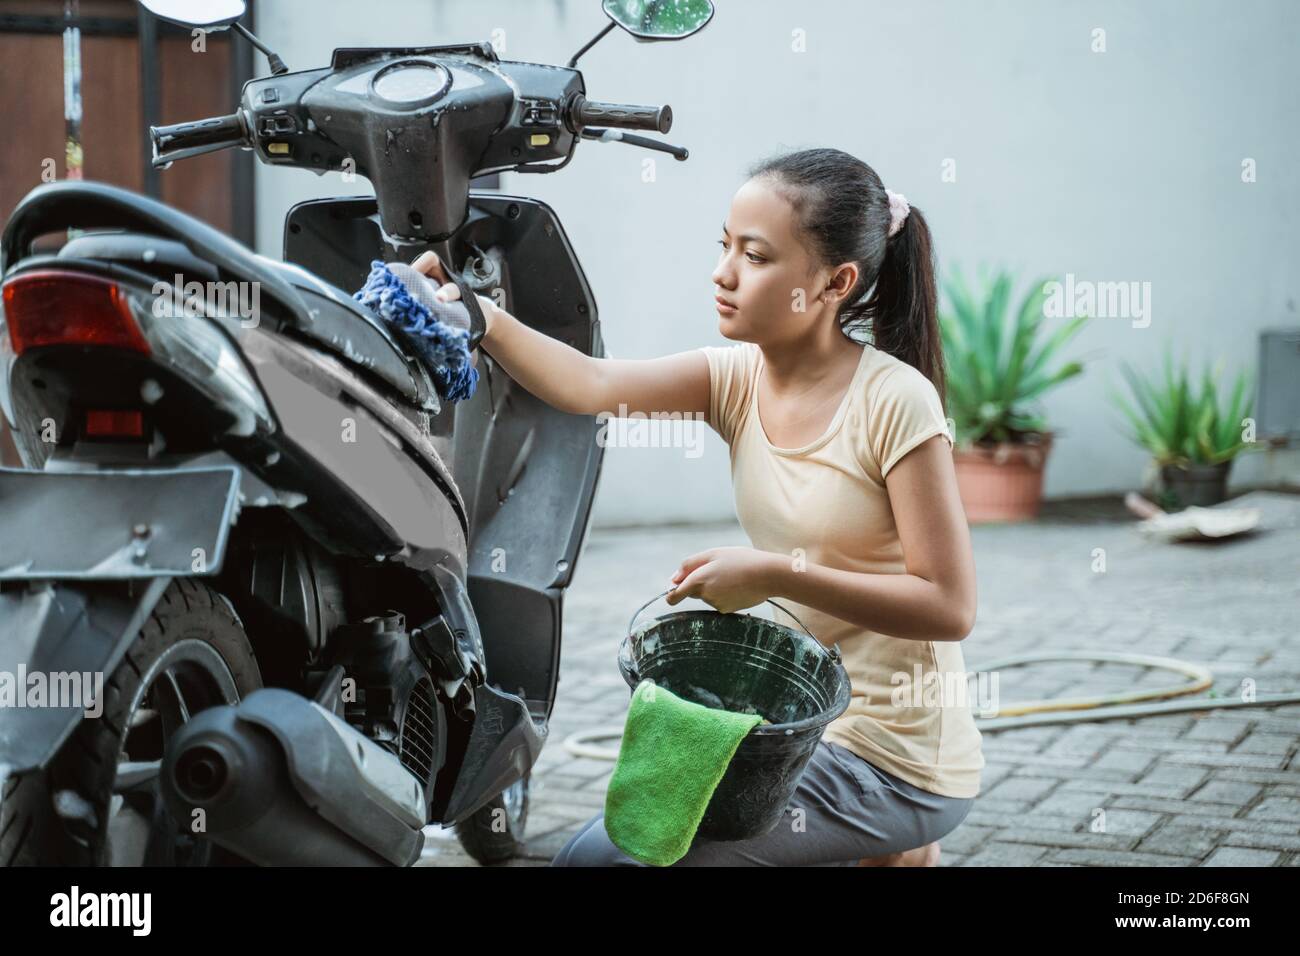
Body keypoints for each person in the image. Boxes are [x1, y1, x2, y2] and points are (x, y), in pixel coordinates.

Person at [414, 146, 983, 866]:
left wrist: (775, 575)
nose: (723, 273)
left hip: (894, 756)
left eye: (756, 256)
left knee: (614, 862)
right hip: (794, 723)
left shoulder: (896, 401)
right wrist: (477, 316)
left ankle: (902, 838)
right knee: (595, 856)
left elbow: (950, 605)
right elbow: (590, 384)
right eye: (724, 246)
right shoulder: (736, 378)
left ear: (834, 282)